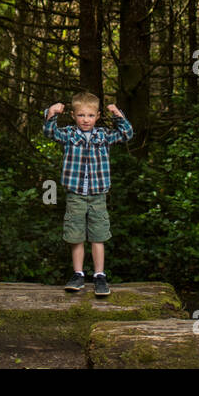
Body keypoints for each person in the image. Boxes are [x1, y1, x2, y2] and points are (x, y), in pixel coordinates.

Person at [42, 92, 133, 296]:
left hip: (98, 195)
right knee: (76, 236)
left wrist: (118, 115)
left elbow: (127, 134)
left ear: (98, 116)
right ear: (73, 115)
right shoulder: (68, 135)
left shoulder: (104, 136)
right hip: (75, 195)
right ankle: (78, 274)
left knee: (98, 236)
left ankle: (99, 275)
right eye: (81, 115)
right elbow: (49, 133)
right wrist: (51, 113)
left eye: (90, 116)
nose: (86, 120)